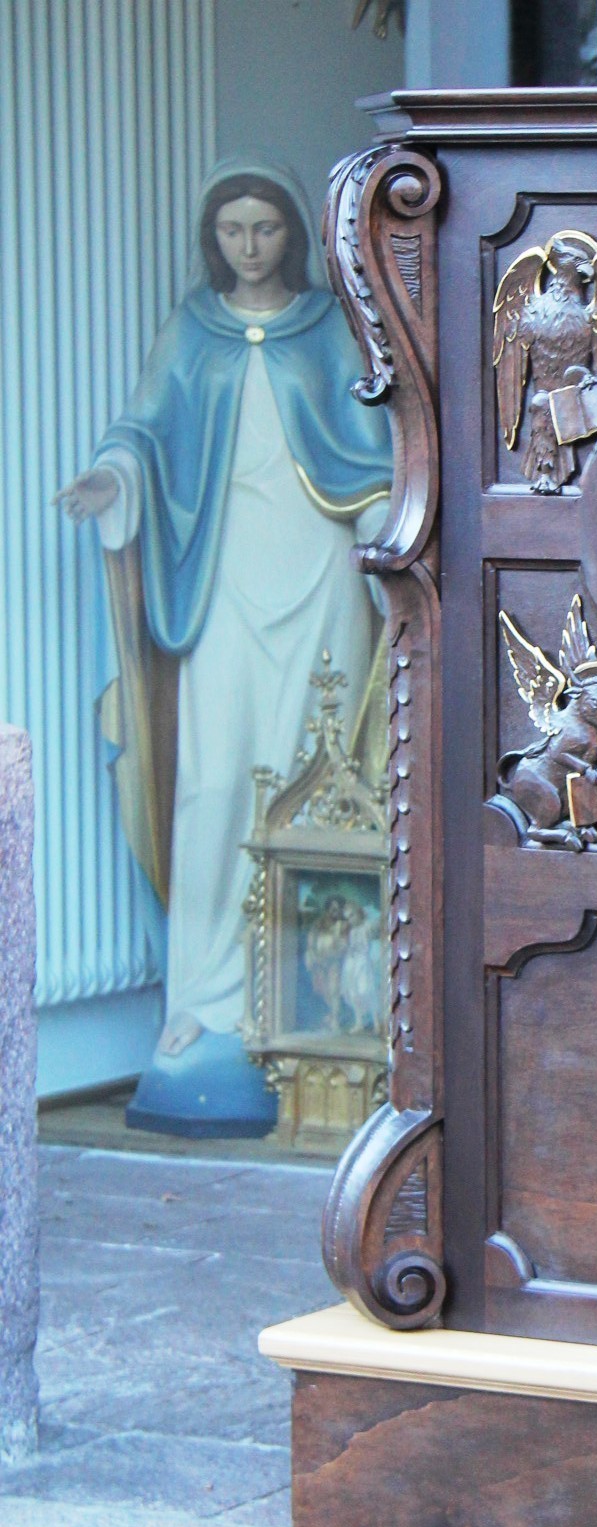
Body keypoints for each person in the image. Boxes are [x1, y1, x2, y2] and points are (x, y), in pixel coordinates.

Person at [54, 158, 391, 1135]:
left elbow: (371, 443)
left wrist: (381, 513)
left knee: (321, 773)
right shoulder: (190, 331)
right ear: (215, 238)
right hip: (219, 575)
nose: (251, 245)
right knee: (213, 783)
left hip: (321, 562)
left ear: (294, 233)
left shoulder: (333, 324)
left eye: (267, 228)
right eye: (235, 229)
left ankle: (319, 1007)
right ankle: (201, 1000)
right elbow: (144, 431)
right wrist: (114, 479)